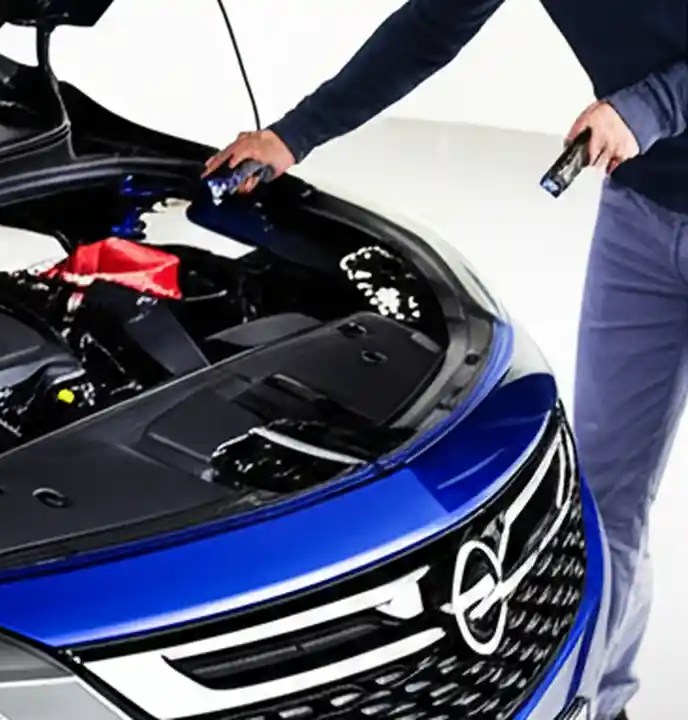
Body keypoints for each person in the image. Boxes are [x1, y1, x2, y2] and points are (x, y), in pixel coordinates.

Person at [203, 2, 686, 718]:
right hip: (643, 216)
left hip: (649, 149)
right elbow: (431, 26)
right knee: (608, 492)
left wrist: (647, 109)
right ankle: (601, 701)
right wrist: (293, 136)